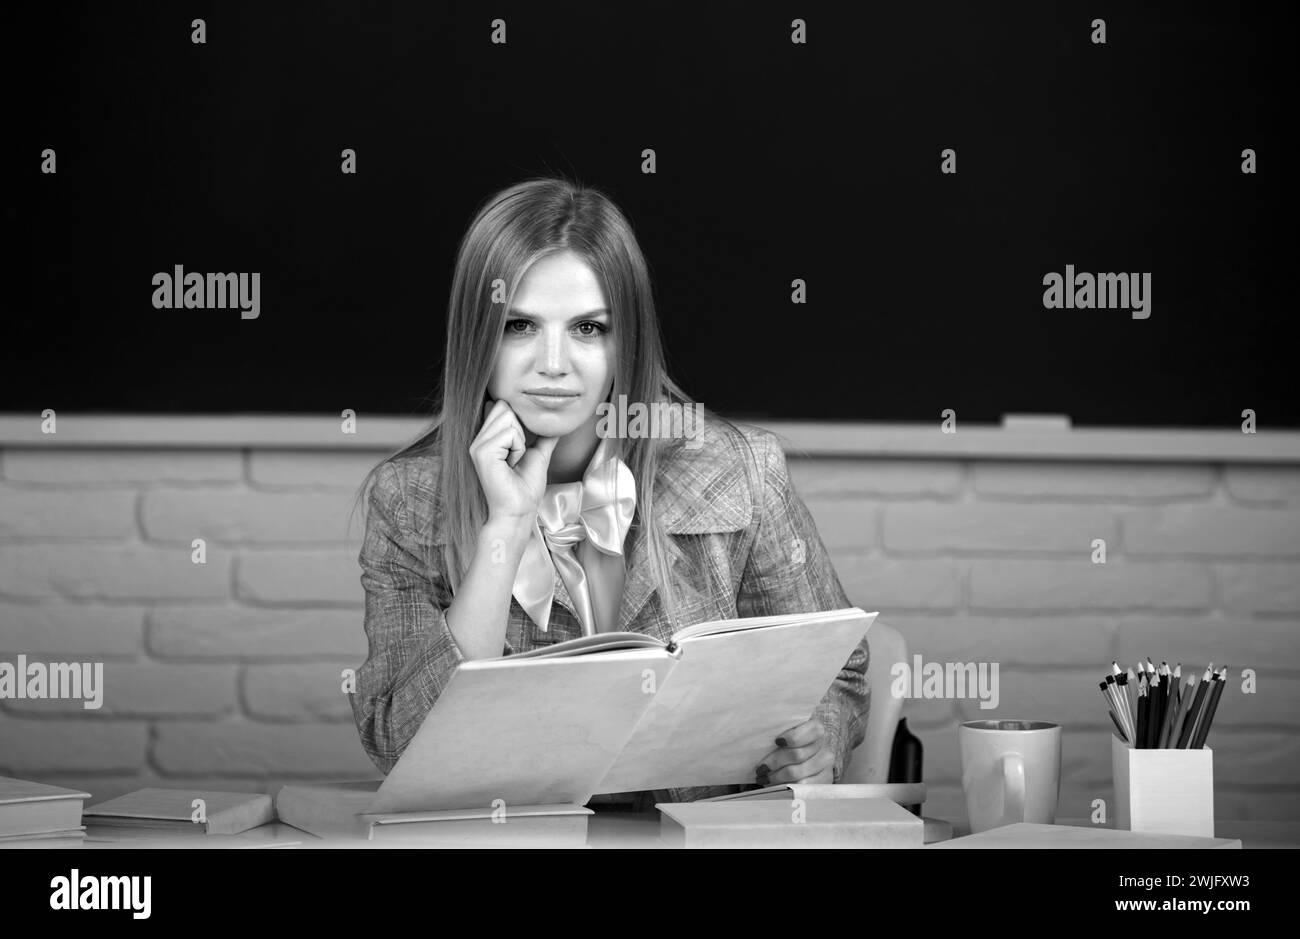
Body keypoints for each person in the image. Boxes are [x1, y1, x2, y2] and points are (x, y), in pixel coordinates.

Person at [349, 176, 870, 810]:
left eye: (588, 329)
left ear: (627, 343)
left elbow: (838, 674)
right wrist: (506, 529)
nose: (553, 363)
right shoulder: (406, 501)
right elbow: (404, 748)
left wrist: (823, 744)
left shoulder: (739, 468)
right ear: (477, 338)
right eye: (519, 325)